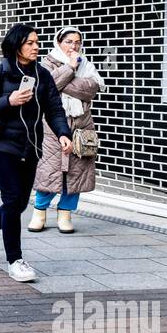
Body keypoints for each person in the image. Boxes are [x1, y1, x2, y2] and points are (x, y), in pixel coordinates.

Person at [0, 24, 72, 282]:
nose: (36, 47)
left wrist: (63, 133)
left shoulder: (43, 75)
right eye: (30, 43)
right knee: (13, 199)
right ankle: (15, 260)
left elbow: (55, 109)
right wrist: (9, 101)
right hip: (2, 147)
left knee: (17, 202)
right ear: (17, 46)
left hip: (31, 147)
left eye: (37, 42)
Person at [31, 26, 105, 234]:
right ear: (59, 42)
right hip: (51, 125)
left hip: (81, 125)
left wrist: (65, 79)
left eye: (77, 42)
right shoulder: (45, 63)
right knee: (49, 170)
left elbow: (91, 90)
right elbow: (46, 87)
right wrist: (70, 68)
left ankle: (65, 213)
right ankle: (40, 212)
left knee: (76, 172)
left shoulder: (87, 64)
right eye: (69, 41)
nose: (74, 46)